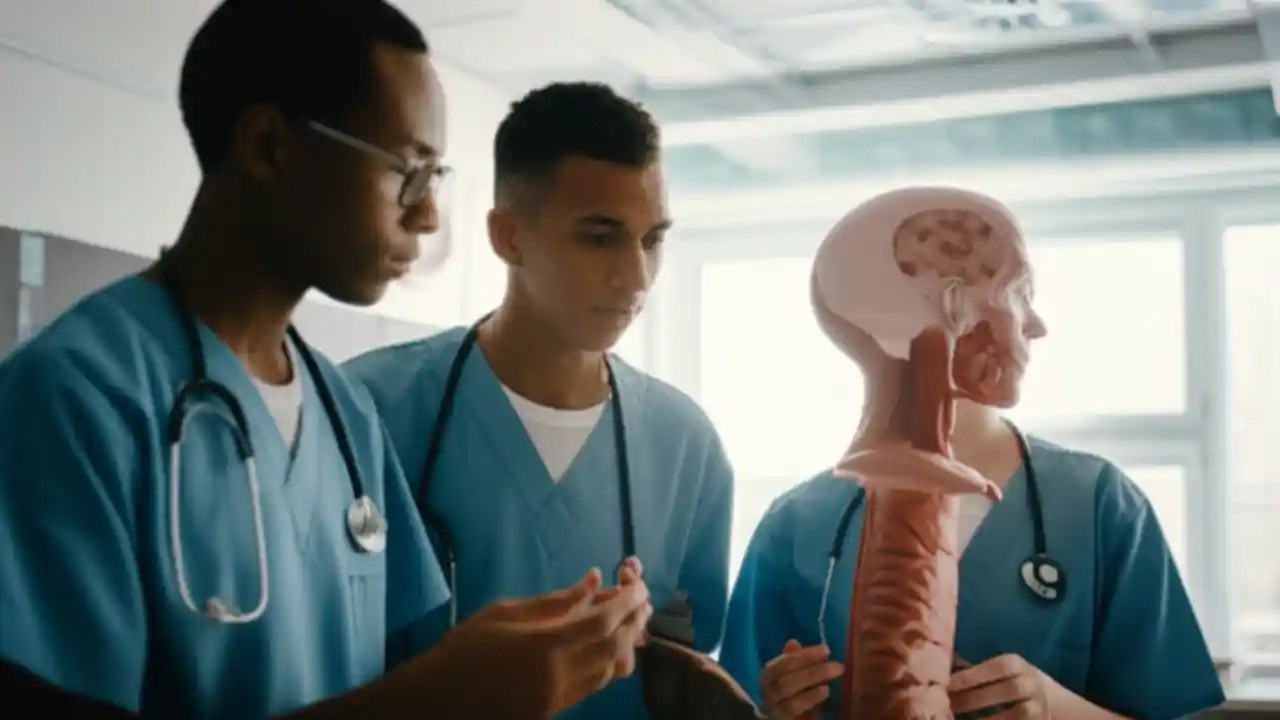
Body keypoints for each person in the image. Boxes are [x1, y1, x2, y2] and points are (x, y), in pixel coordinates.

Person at [0, 2, 651, 718]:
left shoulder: (345, 417)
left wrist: (518, 656)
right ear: (270, 146)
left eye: (437, 179)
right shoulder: (76, 399)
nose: (428, 215)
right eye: (408, 171)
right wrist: (433, 702)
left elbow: (388, 671)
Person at [719, 193, 1226, 719]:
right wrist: (775, 713)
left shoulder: (1098, 506)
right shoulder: (795, 525)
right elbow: (734, 703)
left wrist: (1057, 710)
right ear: (953, 311)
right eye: (1018, 296)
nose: (1035, 326)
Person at [341, 81, 735, 718]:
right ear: (508, 237)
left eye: (652, 239)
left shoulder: (684, 443)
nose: (635, 277)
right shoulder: (367, 409)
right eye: (600, 236)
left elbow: (684, 664)